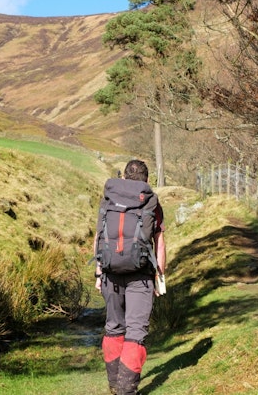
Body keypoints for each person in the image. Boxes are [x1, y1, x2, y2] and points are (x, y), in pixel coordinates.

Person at [93, 159, 166, 395]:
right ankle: (126, 389)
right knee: (136, 332)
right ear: (146, 179)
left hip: (110, 273)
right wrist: (160, 276)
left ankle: (115, 385)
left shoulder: (108, 198)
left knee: (113, 327)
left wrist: (98, 272)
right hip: (141, 275)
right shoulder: (151, 202)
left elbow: (99, 236)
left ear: (124, 176)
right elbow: (159, 241)